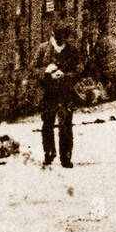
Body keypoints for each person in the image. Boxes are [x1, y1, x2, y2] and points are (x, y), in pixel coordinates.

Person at [34, 29, 81, 168]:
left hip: (65, 93)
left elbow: (79, 69)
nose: (60, 41)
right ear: (52, 35)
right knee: (47, 124)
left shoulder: (72, 50)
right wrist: (46, 72)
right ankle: (48, 153)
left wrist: (65, 74)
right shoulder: (43, 49)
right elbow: (33, 68)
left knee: (66, 124)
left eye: (63, 38)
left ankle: (65, 157)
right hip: (48, 93)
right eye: (57, 37)